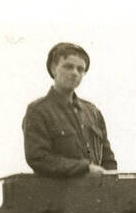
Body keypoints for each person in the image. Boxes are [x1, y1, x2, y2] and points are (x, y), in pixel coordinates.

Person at [22, 42, 117, 178]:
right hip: (59, 195)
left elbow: (108, 159)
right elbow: (38, 158)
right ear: (54, 68)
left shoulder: (93, 112)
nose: (74, 73)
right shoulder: (38, 111)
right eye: (68, 67)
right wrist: (84, 168)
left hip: (95, 194)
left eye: (80, 69)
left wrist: (110, 182)